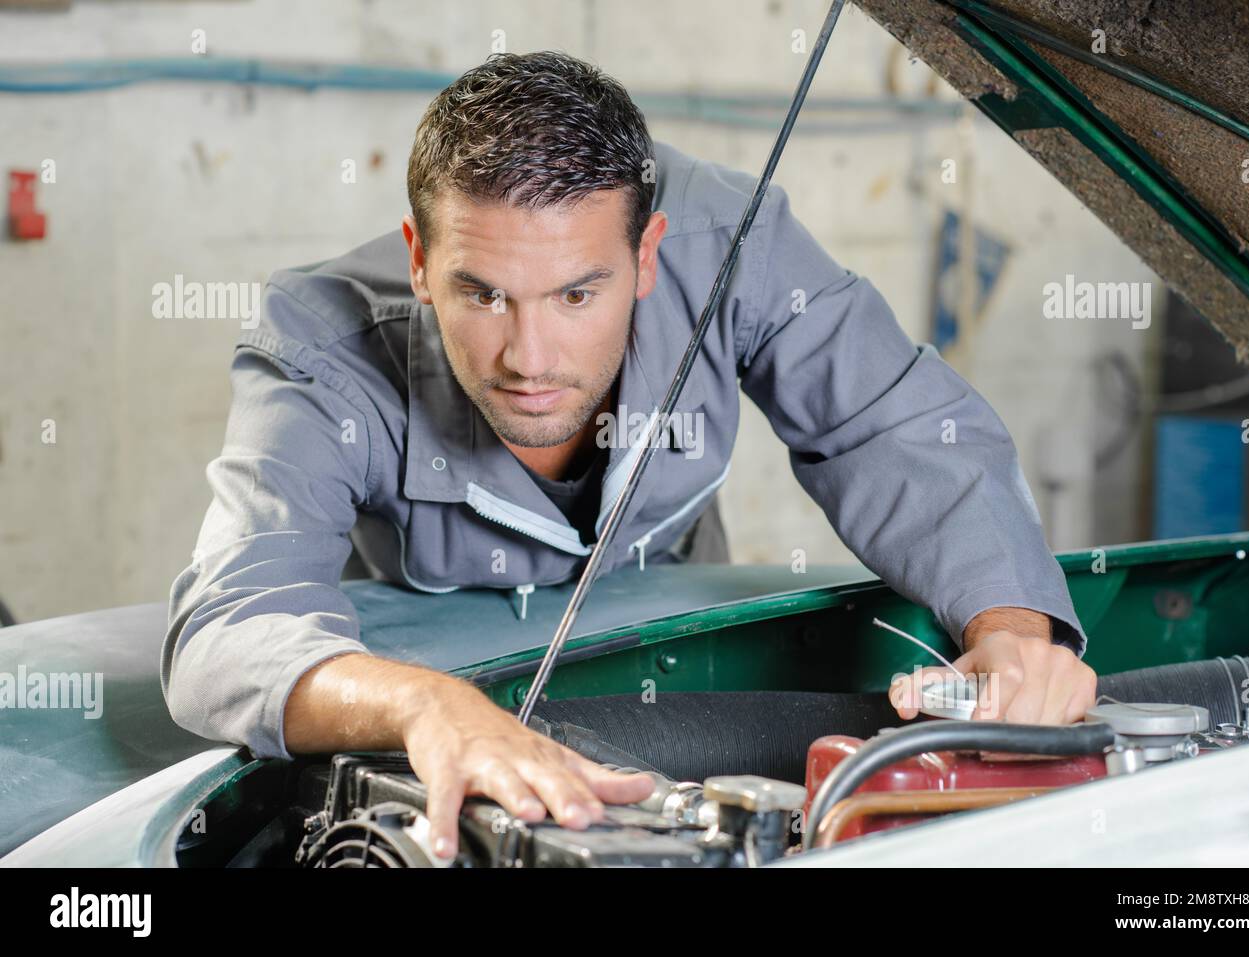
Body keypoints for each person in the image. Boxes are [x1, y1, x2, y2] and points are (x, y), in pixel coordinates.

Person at [163, 51, 1096, 863]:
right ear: (417, 258)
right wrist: (425, 708)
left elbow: (894, 426)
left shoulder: (733, 245)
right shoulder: (319, 345)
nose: (529, 357)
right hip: (426, 664)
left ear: (648, 255)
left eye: (578, 294)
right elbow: (229, 630)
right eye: (482, 294)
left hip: (675, 634)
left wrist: (1010, 627)